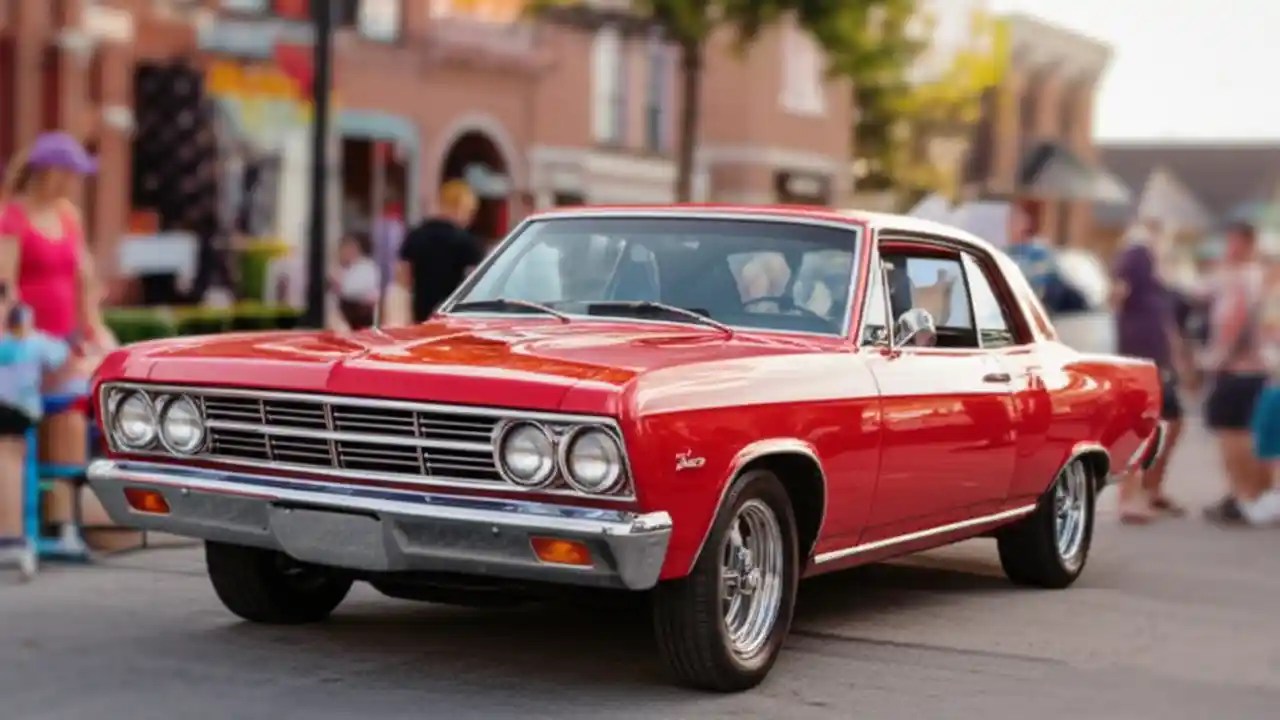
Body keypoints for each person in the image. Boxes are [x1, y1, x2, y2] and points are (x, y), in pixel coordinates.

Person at [0, 132, 115, 553]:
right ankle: (33, 522)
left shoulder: (69, 216)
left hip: (65, 342)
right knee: (30, 425)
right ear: (52, 173)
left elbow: (83, 281)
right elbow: (5, 284)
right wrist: (19, 335)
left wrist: (97, 329)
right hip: (29, 344)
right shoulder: (13, 217)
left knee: (69, 414)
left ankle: (64, 524)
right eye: (72, 174)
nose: (77, 182)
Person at [1110, 219, 1192, 523]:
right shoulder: (1137, 254)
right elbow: (1118, 293)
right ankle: (1128, 498)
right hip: (1138, 357)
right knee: (1142, 422)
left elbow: (1167, 319)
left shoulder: (1158, 267)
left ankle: (1151, 488)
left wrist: (1179, 359)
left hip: (1157, 358)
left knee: (1172, 418)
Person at [1200, 222, 1277, 525]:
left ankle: (1245, 495)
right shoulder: (1257, 276)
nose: (1228, 249)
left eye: (1232, 243)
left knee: (1233, 431)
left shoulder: (1245, 279)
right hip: (1258, 368)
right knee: (1247, 430)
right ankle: (1251, 494)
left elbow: (1237, 322)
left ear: (1246, 244)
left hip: (1240, 367)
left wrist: (1217, 359)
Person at [0, 299, 72, 580]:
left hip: (17, 413)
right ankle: (12, 537)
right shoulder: (32, 341)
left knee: (11, 456)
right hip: (20, 412)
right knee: (11, 457)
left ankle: (12, 536)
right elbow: (62, 359)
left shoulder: (27, 342)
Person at [396, 180, 483, 323]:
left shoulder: (415, 235)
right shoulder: (467, 242)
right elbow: (476, 283)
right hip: (453, 319)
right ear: (461, 207)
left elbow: (402, 279)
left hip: (419, 318)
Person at [331, 233, 380, 330]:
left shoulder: (366, 266)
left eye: (351, 249)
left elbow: (350, 290)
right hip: (345, 313)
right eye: (345, 249)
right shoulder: (339, 269)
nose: (348, 252)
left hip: (363, 312)